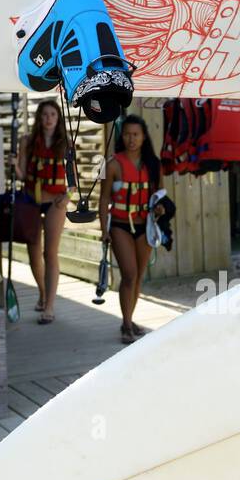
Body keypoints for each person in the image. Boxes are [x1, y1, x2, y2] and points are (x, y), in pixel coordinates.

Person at [99, 115, 161, 344]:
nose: (131, 138)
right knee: (129, 274)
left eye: (136, 134)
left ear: (144, 137)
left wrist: (161, 209)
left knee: (138, 278)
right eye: (127, 134)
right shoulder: (113, 164)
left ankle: (130, 319)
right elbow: (104, 197)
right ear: (121, 136)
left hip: (145, 225)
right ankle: (126, 324)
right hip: (120, 225)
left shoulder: (153, 164)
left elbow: (159, 196)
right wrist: (103, 229)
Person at [13, 99, 70, 324]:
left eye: (53, 115)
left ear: (58, 118)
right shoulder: (27, 141)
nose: (48, 119)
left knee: (50, 253)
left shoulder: (65, 144)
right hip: (32, 201)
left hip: (56, 202)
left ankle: (49, 307)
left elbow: (73, 178)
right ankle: (42, 293)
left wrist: (68, 197)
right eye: (45, 114)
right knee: (33, 253)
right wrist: (15, 165)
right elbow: (21, 176)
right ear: (39, 117)